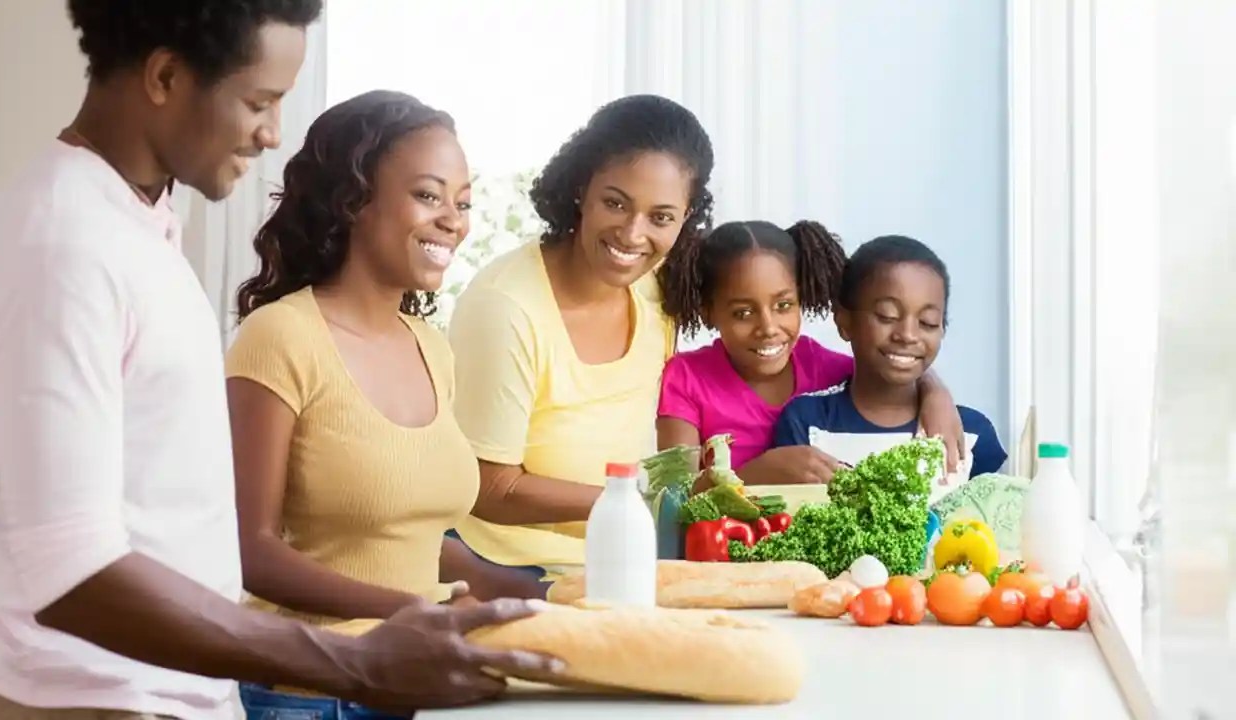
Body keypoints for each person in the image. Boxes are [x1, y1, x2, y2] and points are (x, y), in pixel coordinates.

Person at [0, 4, 556, 719]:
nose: (272, 133)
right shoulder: (64, 244)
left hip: (168, 695)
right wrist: (356, 661)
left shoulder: (135, 225)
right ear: (165, 76)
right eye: (258, 102)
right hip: (86, 701)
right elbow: (69, 570)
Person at [225, 89, 550, 718]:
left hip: (418, 681)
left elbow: (408, 534)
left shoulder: (432, 346)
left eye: (463, 203)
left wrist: (536, 593)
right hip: (311, 693)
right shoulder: (280, 336)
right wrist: (415, 610)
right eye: (428, 195)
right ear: (353, 200)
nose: (454, 221)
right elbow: (251, 550)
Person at [444, 95, 716, 575]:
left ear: (686, 215)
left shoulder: (658, 291)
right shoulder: (506, 307)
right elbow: (487, 488)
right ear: (581, 188)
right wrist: (634, 503)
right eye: (615, 203)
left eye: (660, 217)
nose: (633, 234)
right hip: (506, 567)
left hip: (624, 560)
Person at [655, 220, 965, 485]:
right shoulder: (687, 379)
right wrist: (755, 474)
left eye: (783, 305)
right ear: (708, 312)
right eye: (743, 313)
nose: (768, 327)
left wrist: (936, 394)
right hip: (720, 538)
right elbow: (673, 501)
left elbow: (890, 367)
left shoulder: (822, 367)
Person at [772, 235, 1007, 478]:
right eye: (887, 316)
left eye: (927, 322)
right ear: (844, 321)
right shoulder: (807, 421)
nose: (907, 335)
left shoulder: (971, 432)